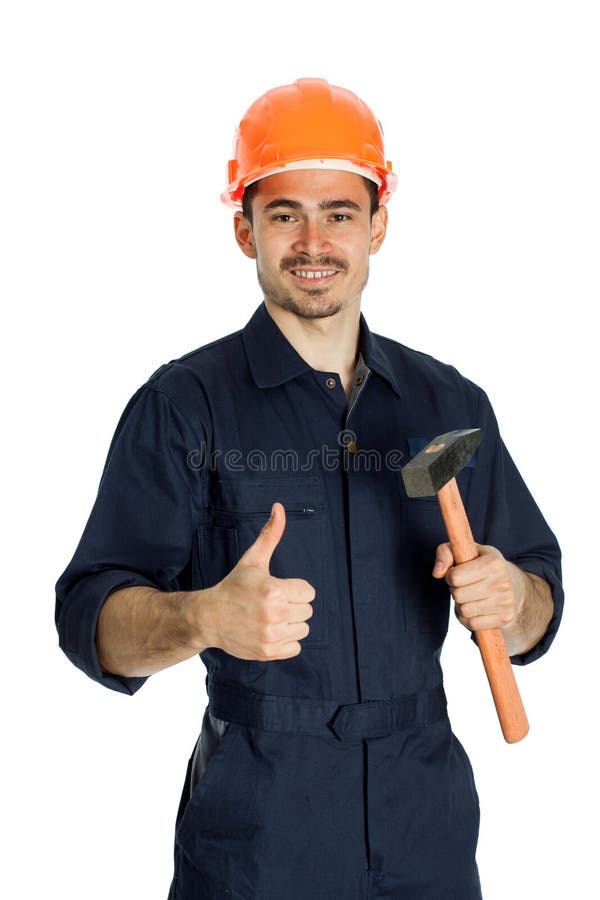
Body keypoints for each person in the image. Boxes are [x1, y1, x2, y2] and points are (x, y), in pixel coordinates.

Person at [55, 78, 563, 899]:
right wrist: (201, 615)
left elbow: (540, 603)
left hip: (426, 829)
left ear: (379, 226)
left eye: (340, 212)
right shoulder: (185, 406)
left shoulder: (449, 406)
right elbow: (89, 619)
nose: (313, 240)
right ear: (243, 228)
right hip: (259, 841)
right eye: (285, 212)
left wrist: (512, 595)